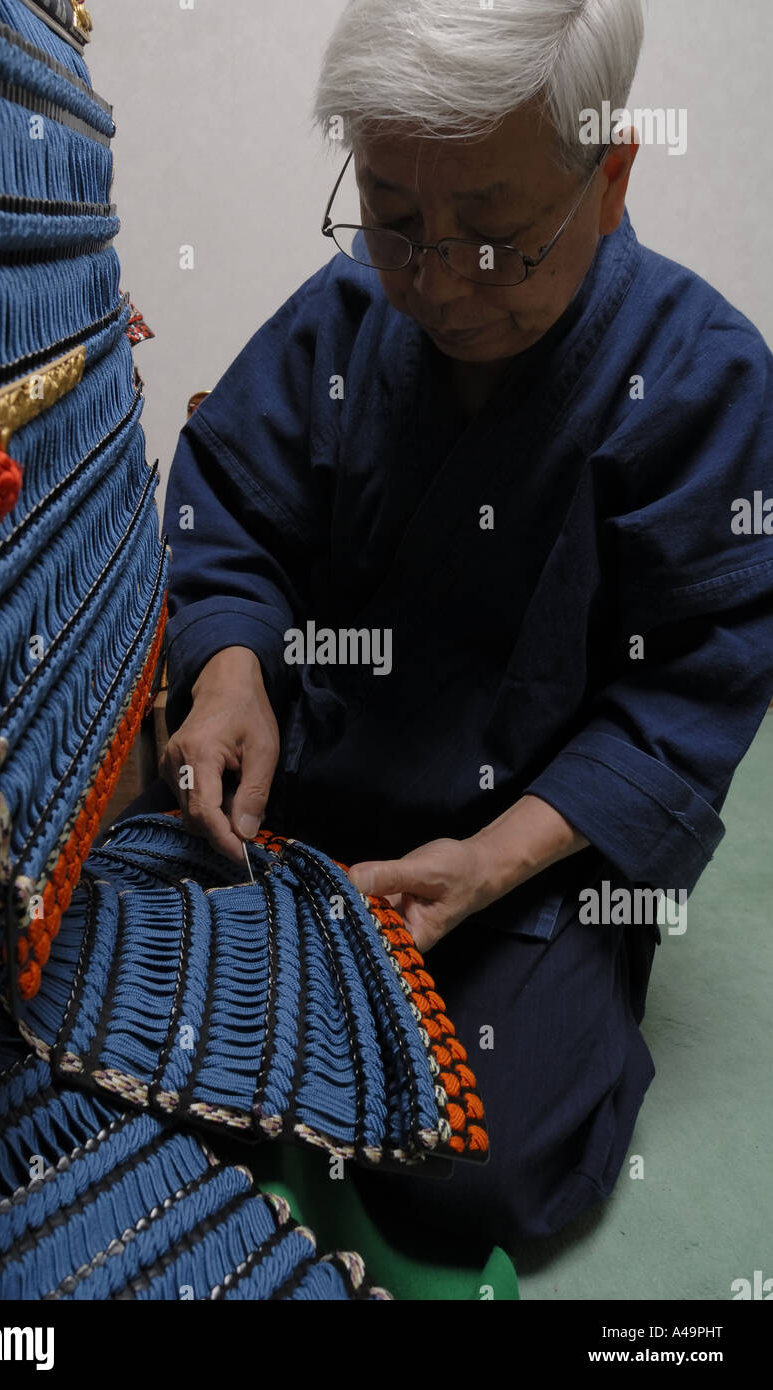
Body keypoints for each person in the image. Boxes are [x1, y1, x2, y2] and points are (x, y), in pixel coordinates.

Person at [134, 0, 773, 1254]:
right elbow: (237, 507)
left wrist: (487, 864)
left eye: (494, 237)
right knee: (128, 1019)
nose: (433, 285)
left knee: (471, 1166)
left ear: (610, 176)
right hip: (308, 785)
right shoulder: (345, 315)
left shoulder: (703, 380)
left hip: (526, 852)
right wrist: (227, 675)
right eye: (393, 216)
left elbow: (684, 699)